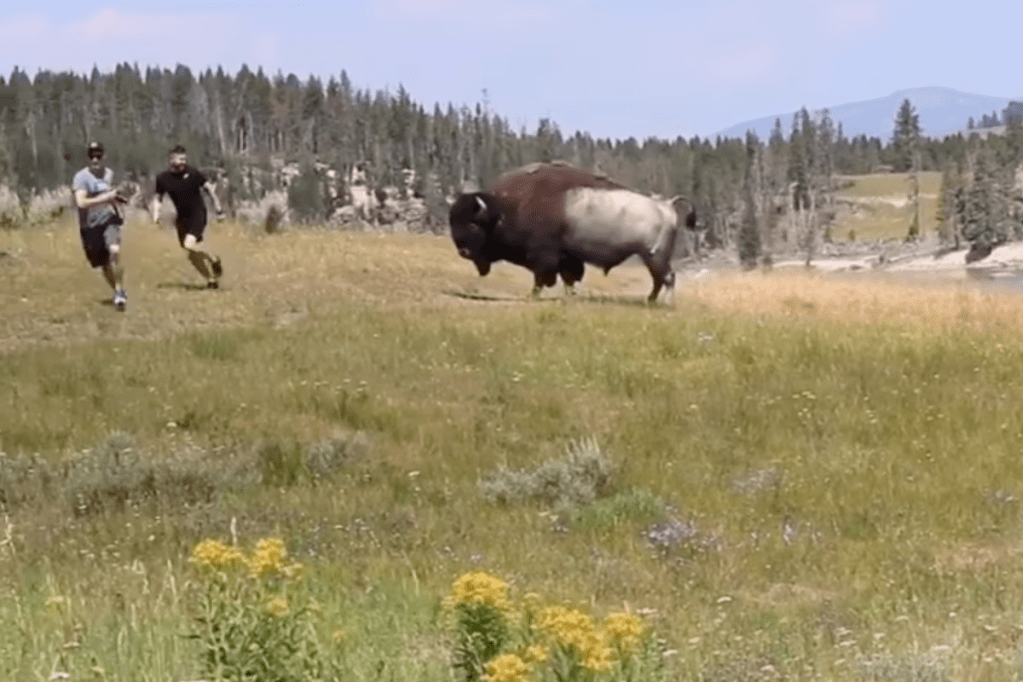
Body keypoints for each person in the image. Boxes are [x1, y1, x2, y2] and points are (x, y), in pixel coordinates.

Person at [152, 145, 225, 288]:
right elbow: (158, 198)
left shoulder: (193, 173)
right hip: (181, 218)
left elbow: (210, 190)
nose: (183, 163)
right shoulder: (163, 178)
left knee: (189, 245)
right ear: (171, 160)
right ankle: (211, 280)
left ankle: (214, 259)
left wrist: (218, 209)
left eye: (184, 159)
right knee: (191, 254)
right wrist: (156, 215)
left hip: (198, 213)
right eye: (180, 159)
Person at [73, 141, 128, 310]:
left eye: (98, 156)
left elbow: (115, 195)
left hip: (109, 220)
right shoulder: (81, 177)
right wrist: (107, 197)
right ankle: (119, 291)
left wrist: (119, 201)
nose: (95, 160)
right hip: (90, 226)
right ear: (88, 158)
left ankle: (119, 293)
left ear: (104, 156)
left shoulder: (110, 174)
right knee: (103, 264)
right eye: (92, 156)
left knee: (114, 251)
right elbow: (81, 202)